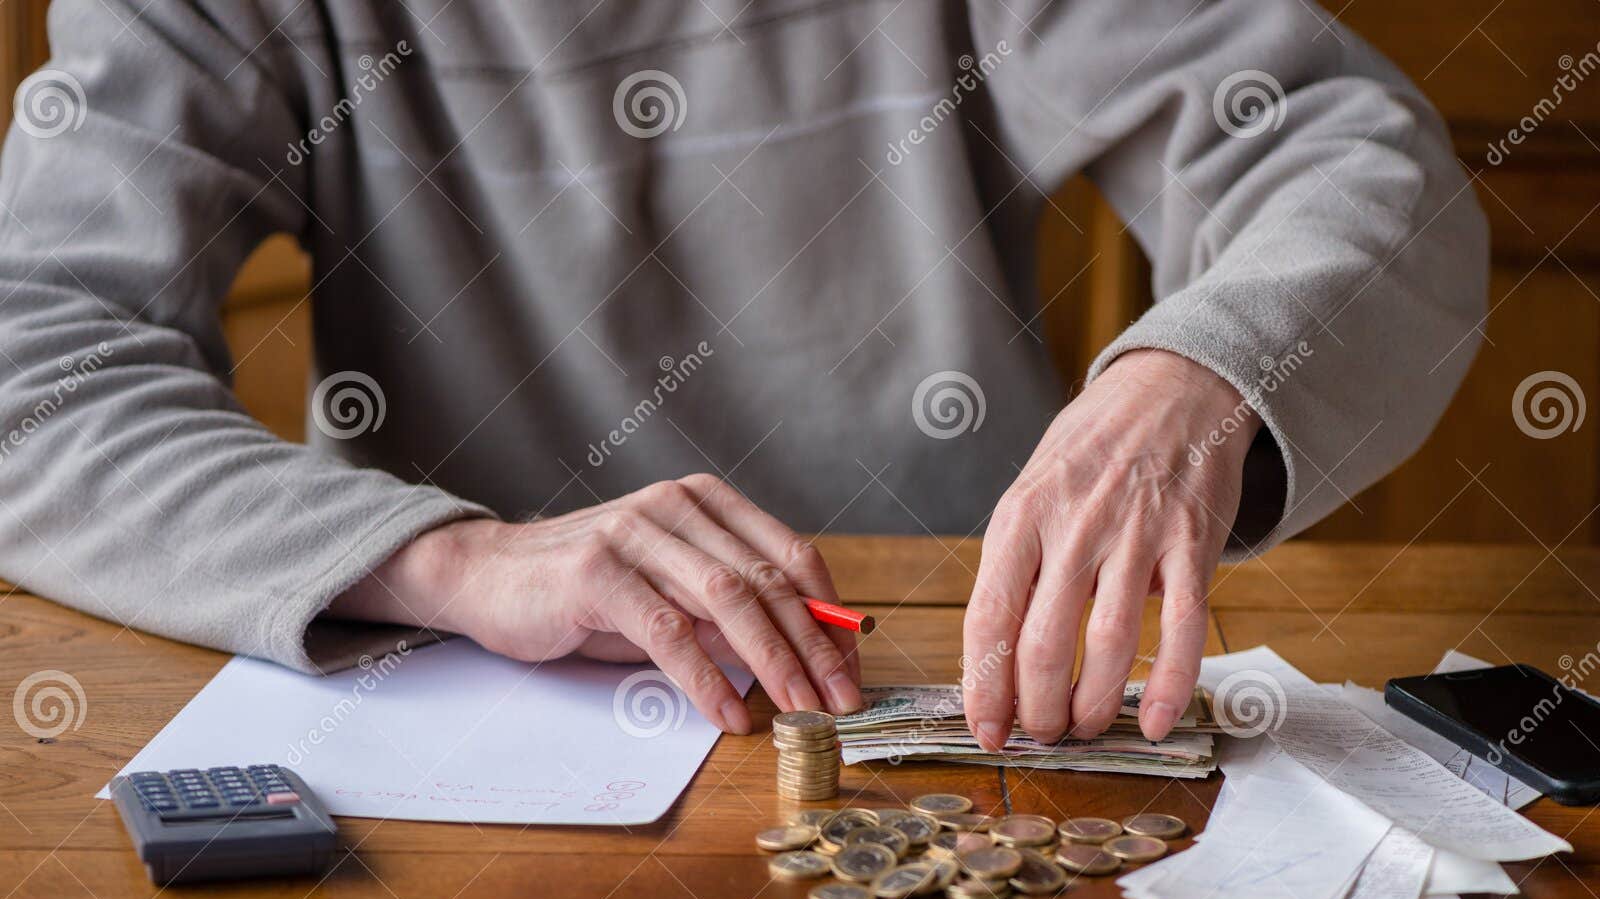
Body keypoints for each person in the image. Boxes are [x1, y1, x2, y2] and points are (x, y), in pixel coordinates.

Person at [0, 1, 1486, 750]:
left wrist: (1193, 376)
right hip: (460, 737)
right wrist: (453, 558)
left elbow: (1360, 158)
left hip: (976, 701)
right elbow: (29, 358)